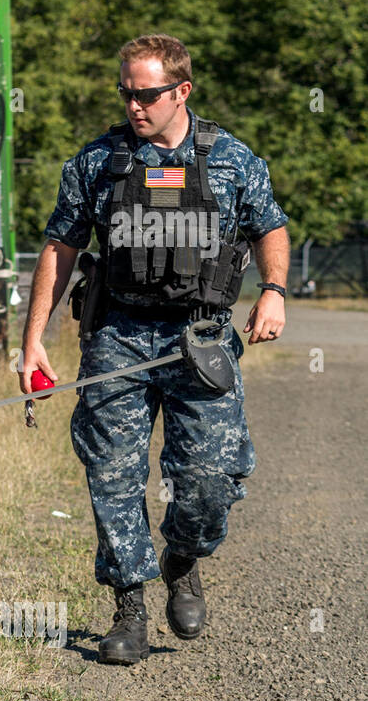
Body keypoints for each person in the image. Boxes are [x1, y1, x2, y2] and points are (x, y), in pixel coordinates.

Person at [19, 34, 290, 665]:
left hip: (201, 337)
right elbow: (61, 248)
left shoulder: (230, 158)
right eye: (126, 92)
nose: (135, 105)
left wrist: (273, 290)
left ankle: (183, 556)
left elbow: (269, 226)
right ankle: (128, 609)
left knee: (209, 482)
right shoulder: (98, 162)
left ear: (182, 91)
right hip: (116, 335)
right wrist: (32, 339)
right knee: (112, 473)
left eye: (147, 94)